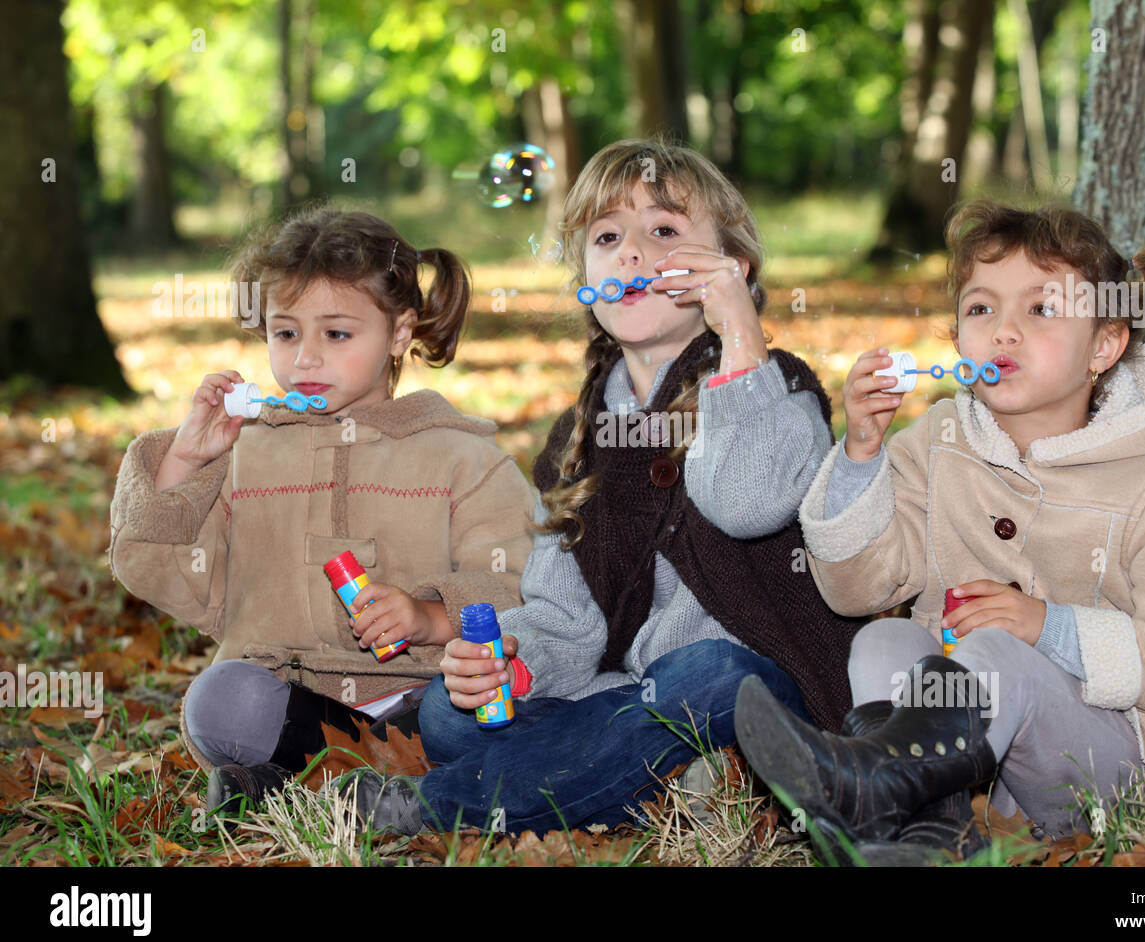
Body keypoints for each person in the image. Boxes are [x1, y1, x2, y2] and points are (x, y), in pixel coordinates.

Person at [341, 139, 865, 835]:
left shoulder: (777, 387)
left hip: (763, 691)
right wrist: (512, 666)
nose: (633, 254)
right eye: (608, 237)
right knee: (447, 713)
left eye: (665, 232)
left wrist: (741, 333)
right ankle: (669, 778)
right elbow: (563, 622)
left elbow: (745, 504)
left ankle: (447, 806)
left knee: (709, 674)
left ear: (732, 269)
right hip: (624, 696)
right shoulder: (578, 439)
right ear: (587, 276)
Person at [734, 200, 1145, 861]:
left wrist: (1046, 626)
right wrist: (860, 454)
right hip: (1003, 781)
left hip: (1122, 772)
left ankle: (869, 789)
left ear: (1105, 345)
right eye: (980, 310)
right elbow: (856, 591)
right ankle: (928, 834)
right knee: (885, 638)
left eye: (1040, 310)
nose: (1004, 331)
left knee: (1000, 652)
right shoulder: (941, 444)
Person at [108, 208, 535, 814]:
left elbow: (524, 582)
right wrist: (184, 461)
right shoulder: (247, 452)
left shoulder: (459, 453)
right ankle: (330, 782)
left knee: (468, 714)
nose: (305, 359)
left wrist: (429, 615)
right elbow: (164, 577)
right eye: (286, 334)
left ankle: (331, 784)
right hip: (295, 701)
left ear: (397, 332)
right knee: (218, 699)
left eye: (335, 334)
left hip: (422, 703)